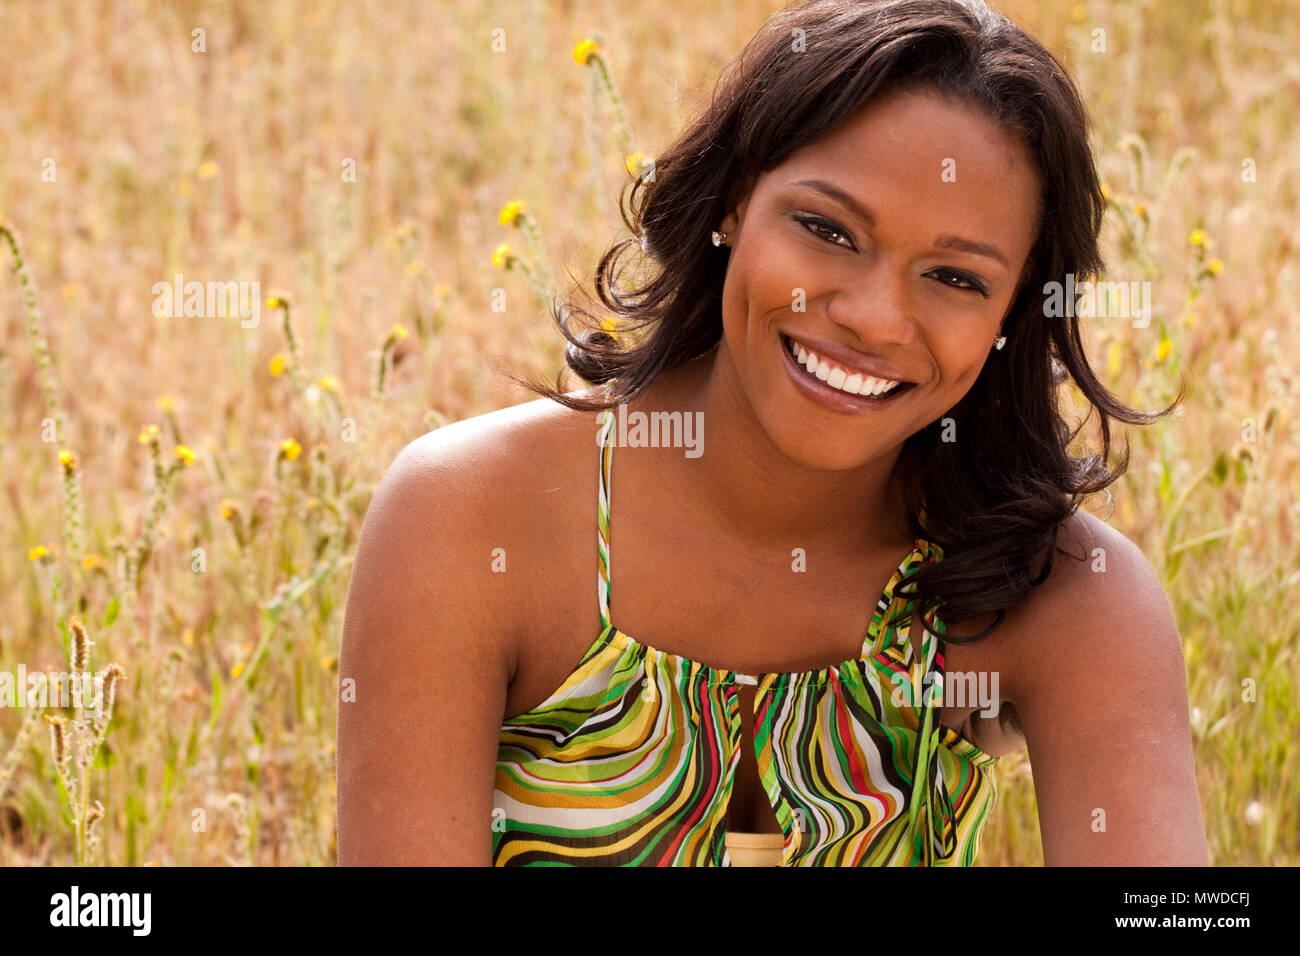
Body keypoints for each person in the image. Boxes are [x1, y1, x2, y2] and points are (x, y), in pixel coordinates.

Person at [337, 0, 1208, 866]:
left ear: (1015, 310)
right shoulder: (469, 521)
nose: (873, 319)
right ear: (732, 203)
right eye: (828, 229)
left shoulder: (1061, 592)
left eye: (953, 276)